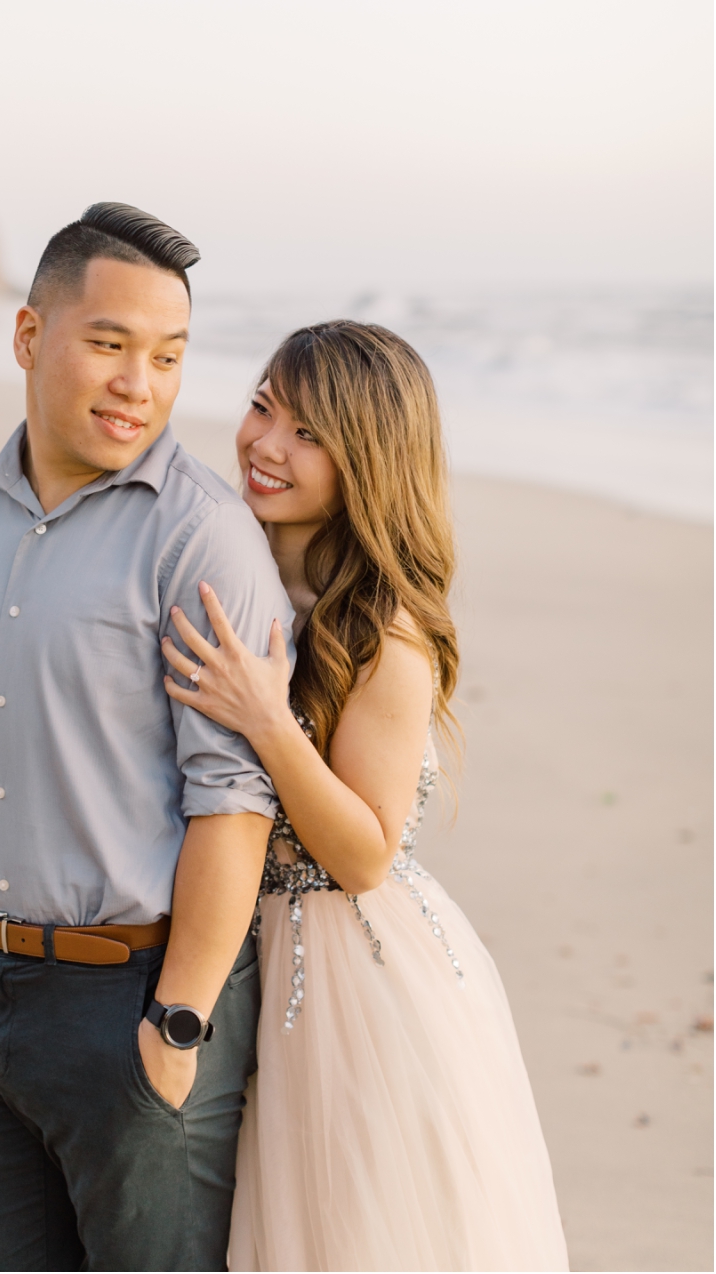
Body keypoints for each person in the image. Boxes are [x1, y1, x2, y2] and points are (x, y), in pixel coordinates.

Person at [0, 202, 295, 1273]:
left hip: (132, 1008)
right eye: (110, 343)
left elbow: (233, 797)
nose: (141, 382)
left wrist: (174, 1027)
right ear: (31, 337)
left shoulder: (202, 537)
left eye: (168, 356)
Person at [161, 320, 570, 1272]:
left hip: (351, 981)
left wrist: (269, 721)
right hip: (239, 953)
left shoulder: (385, 631)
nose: (266, 444)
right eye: (264, 405)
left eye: (309, 433)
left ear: (370, 460)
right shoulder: (236, 572)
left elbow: (364, 853)